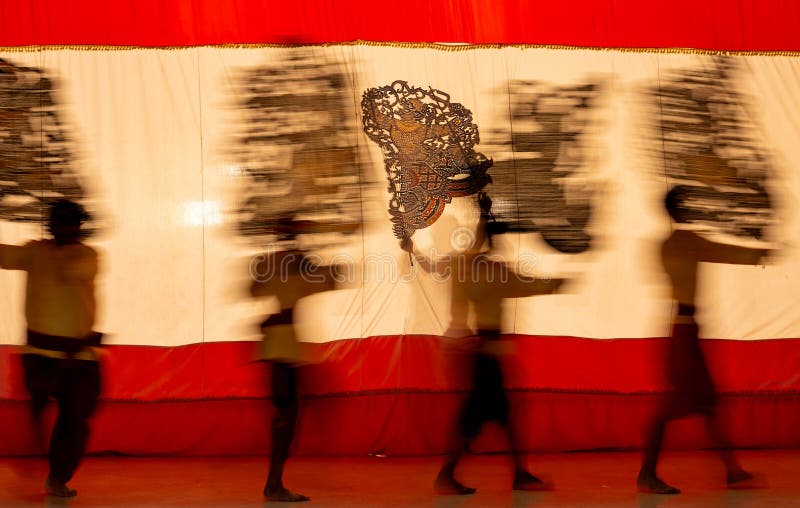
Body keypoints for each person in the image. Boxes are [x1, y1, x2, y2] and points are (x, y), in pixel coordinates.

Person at [403, 192, 565, 495]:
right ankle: (463, 476)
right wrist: (558, 283)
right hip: (485, 355)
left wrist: (483, 213)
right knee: (483, 419)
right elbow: (530, 284)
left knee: (489, 418)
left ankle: (510, 474)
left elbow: (436, 265)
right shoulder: (491, 271)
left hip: (476, 353)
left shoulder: (463, 266)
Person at [637, 186, 769, 494]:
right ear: (678, 210)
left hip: (685, 330)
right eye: (687, 204)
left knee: (707, 404)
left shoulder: (669, 245)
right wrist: (760, 252)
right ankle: (647, 474)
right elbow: (725, 252)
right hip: (685, 334)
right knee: (676, 405)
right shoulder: (684, 243)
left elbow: (719, 251)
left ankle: (732, 472)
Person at [0, 199, 101, 498]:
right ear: (52, 225)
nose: (67, 227)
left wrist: (48, 248)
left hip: (79, 356)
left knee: (76, 424)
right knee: (39, 422)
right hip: (40, 356)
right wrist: (42, 248)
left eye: (71, 222)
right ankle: (39, 454)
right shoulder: (35, 252)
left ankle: (57, 477)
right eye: (61, 221)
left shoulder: (88, 255)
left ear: (78, 226)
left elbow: (72, 271)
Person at [250, 244, 339, 503]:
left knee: (285, 417)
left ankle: (274, 483)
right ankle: (273, 484)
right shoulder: (293, 261)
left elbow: (253, 288)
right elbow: (332, 278)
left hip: (280, 348)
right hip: (283, 350)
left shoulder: (276, 262)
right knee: (286, 418)